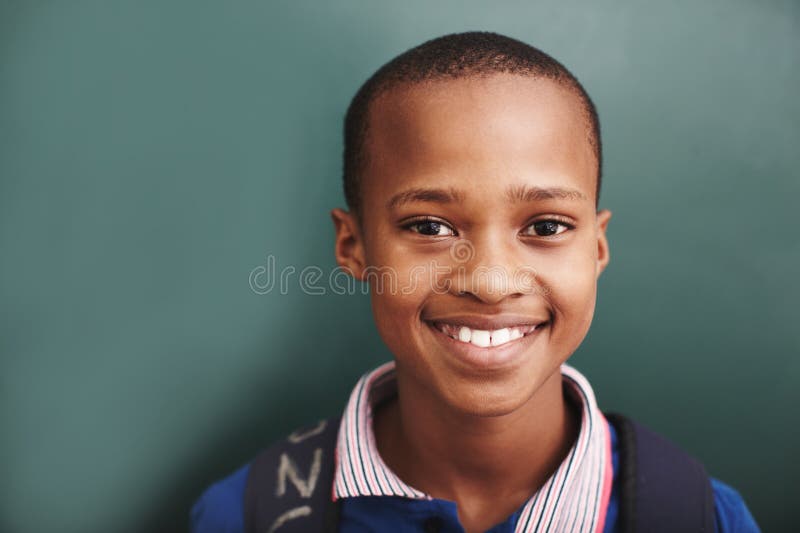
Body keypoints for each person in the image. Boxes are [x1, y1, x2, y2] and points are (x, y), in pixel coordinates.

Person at [190, 31, 760, 533]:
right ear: (353, 246)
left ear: (596, 246)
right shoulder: (247, 515)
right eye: (430, 226)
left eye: (546, 226)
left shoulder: (703, 518)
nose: (489, 282)